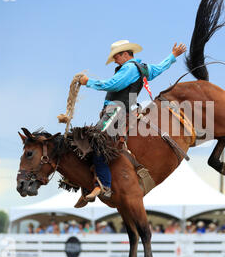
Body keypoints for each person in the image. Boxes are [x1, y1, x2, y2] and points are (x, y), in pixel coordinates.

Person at [74, 40, 187, 208]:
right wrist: (172, 56)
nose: (114, 60)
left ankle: (101, 184)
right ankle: (92, 184)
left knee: (94, 140)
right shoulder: (142, 68)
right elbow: (158, 69)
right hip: (123, 111)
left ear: (126, 54)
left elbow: (113, 84)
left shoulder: (129, 68)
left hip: (116, 111)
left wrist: (88, 82)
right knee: (94, 141)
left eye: (116, 56)